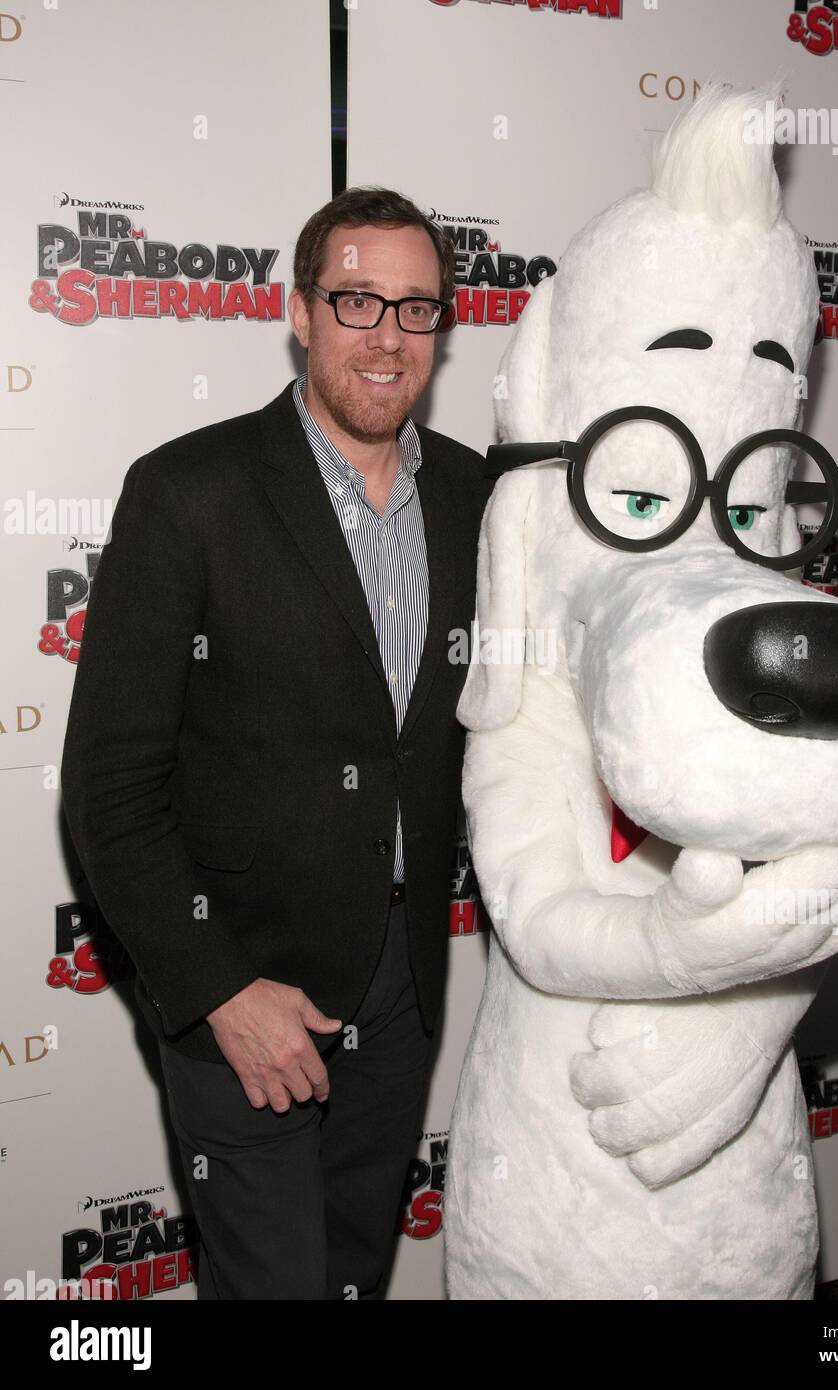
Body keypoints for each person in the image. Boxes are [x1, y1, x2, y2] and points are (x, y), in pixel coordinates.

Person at [60, 186, 491, 1300]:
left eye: (415, 308)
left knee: (351, 1278)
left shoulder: (476, 500)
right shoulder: (189, 491)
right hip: (243, 996)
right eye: (355, 300)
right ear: (299, 310)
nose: (387, 337)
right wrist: (218, 990)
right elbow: (109, 792)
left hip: (400, 992)